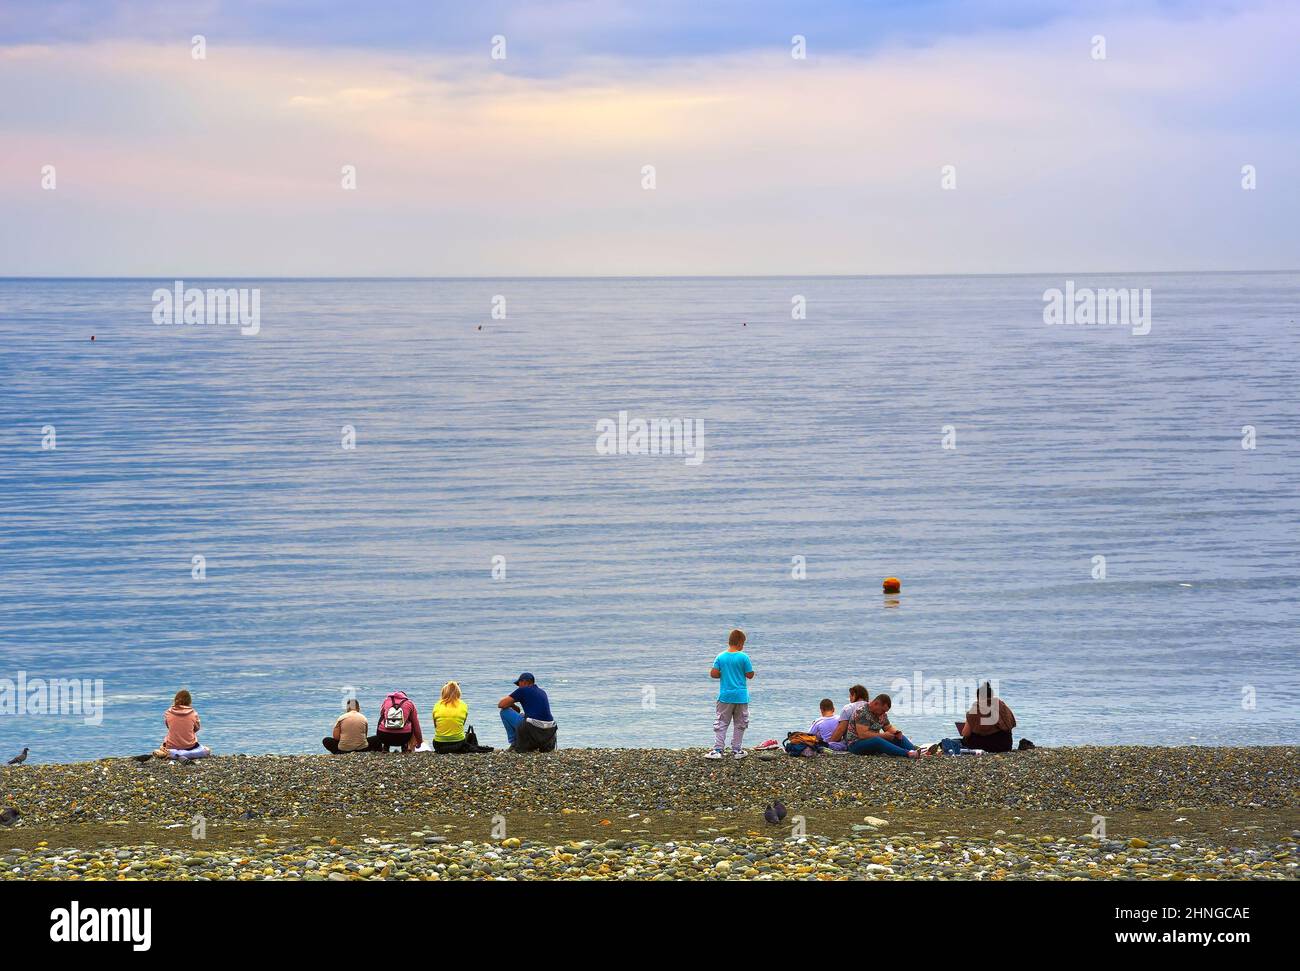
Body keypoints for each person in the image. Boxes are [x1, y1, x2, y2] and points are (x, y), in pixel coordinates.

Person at [706, 628, 754, 759]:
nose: (743, 646)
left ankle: (718, 750)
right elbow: (750, 675)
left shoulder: (721, 656)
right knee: (740, 724)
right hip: (741, 697)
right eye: (743, 643)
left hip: (725, 696)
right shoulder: (744, 657)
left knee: (721, 722)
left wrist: (725, 674)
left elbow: (713, 674)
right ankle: (737, 750)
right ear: (739, 643)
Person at [843, 693, 924, 758]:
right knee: (877, 740)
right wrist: (884, 736)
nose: (883, 713)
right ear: (875, 703)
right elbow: (863, 735)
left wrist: (896, 732)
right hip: (855, 744)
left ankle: (915, 750)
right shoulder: (862, 712)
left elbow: (887, 727)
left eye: (885, 711)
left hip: (871, 741)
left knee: (898, 736)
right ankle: (908, 754)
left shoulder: (882, 714)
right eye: (882, 710)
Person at [497, 673, 557, 751]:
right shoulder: (542, 692)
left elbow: (501, 704)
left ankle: (514, 743)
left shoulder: (523, 690)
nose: (518, 686)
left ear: (524, 682)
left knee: (504, 712)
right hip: (549, 729)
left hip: (533, 728)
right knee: (523, 715)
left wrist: (513, 705)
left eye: (519, 684)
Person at [153, 689, 211, 759]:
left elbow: (169, 727)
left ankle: (168, 753)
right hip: (190, 746)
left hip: (171, 745)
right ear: (189, 701)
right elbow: (197, 728)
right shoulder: (193, 713)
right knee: (206, 749)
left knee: (163, 745)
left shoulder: (168, 712)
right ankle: (185, 754)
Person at [959, 682, 1016, 752]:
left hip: (985, 747)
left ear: (978, 697)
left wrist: (970, 722)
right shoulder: (1002, 706)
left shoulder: (975, 710)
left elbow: (965, 733)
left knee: (958, 741)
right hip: (1005, 746)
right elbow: (1011, 724)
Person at [828, 684, 871, 749]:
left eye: (850, 695)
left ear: (854, 695)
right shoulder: (871, 707)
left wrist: (829, 743)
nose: (850, 698)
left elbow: (841, 729)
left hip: (853, 743)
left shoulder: (849, 708)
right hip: (870, 740)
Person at [433, 681, 470, 753]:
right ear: (458, 692)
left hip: (439, 745)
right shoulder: (463, 705)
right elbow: (462, 724)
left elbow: (436, 726)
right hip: (459, 744)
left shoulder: (437, 705)